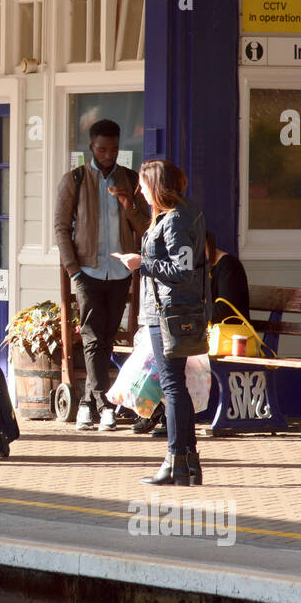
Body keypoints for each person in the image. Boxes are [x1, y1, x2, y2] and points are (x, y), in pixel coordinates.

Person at [114, 159, 208, 486]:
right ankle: (188, 462)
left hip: (169, 313)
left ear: (157, 185)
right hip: (170, 311)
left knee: (172, 386)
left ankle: (175, 461)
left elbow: (182, 272)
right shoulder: (176, 216)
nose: (140, 190)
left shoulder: (176, 220)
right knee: (174, 386)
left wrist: (142, 263)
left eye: (143, 184)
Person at [53, 119, 150, 432]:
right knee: (93, 334)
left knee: (107, 335)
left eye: (114, 149)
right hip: (88, 270)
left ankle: (87, 402)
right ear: (91, 147)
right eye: (103, 149)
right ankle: (104, 404)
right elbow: (61, 228)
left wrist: (128, 205)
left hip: (120, 270)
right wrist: (74, 271)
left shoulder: (131, 179)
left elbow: (145, 227)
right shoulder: (75, 180)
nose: (109, 155)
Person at [136, 230, 250, 437]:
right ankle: (158, 410)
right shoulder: (197, 270)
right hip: (200, 332)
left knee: (176, 355)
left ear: (208, 245)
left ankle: (167, 414)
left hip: (225, 337)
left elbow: (228, 309)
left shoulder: (228, 267)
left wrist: (191, 316)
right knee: (154, 350)